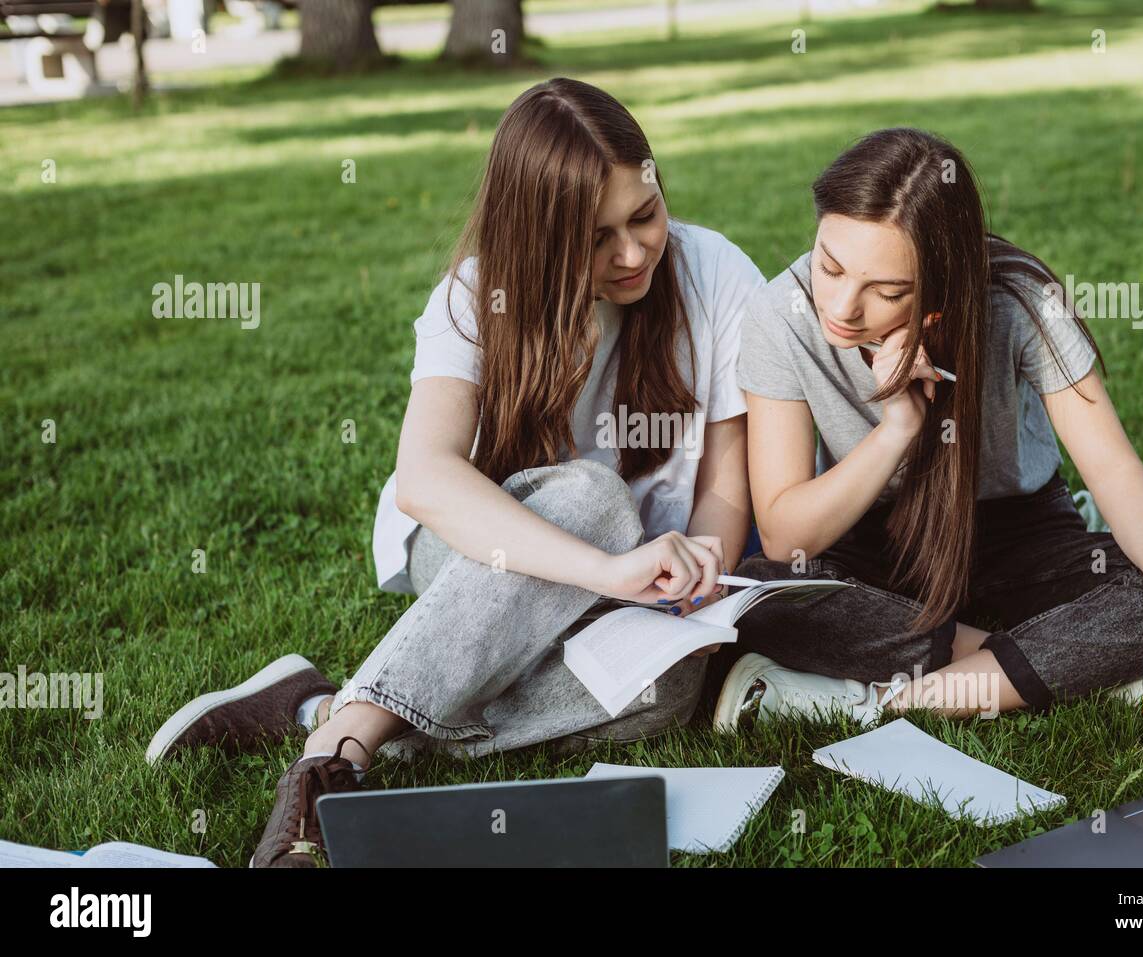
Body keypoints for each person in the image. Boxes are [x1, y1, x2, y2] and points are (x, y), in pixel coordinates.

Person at [145, 78, 765, 867]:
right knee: (592, 498)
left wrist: (701, 577)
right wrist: (610, 569)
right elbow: (427, 479)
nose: (634, 251)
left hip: (627, 591)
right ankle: (335, 755)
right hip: (479, 559)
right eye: (597, 237)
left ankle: (315, 704)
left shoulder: (716, 275)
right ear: (540, 234)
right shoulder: (476, 297)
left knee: (670, 691)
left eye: (644, 215)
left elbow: (724, 483)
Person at [712, 127, 1143, 747]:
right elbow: (784, 532)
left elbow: (1115, 470)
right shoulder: (783, 315)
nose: (843, 307)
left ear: (943, 288)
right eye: (829, 266)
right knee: (763, 596)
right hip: (874, 550)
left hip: (1017, 538)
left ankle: (899, 699)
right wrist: (898, 429)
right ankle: (1043, 663)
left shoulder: (1020, 300)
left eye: (886, 292)